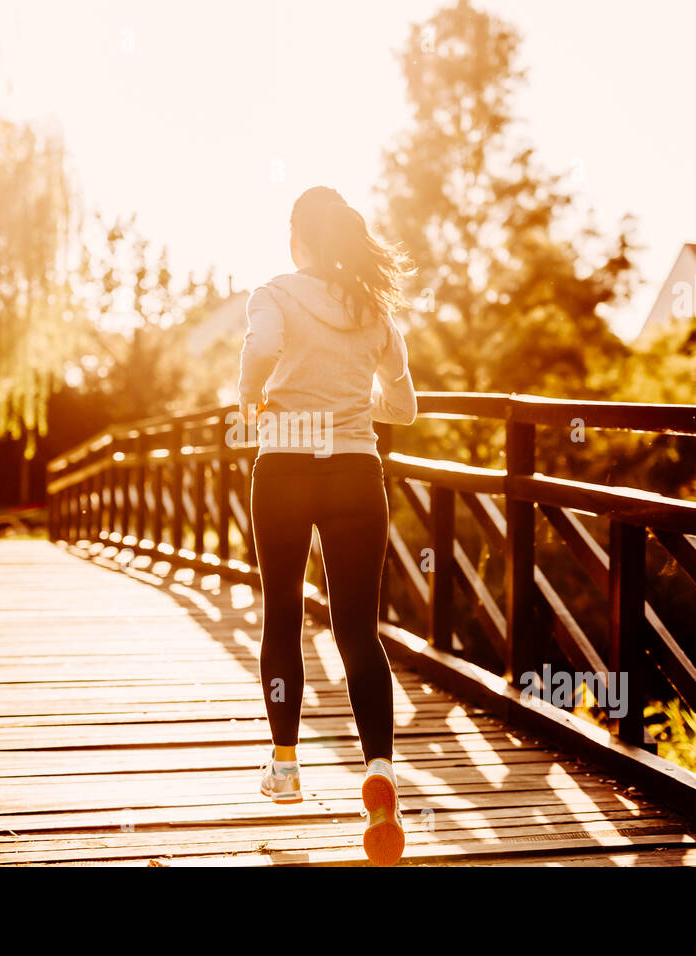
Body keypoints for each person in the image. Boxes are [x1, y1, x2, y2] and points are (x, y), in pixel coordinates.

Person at [237, 186, 417, 866]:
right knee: (358, 630)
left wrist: (249, 398)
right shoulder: (373, 311)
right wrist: (356, 401)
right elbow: (403, 407)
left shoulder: (274, 294)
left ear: (296, 238)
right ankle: (379, 775)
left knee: (282, 611)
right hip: (353, 472)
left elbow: (261, 348)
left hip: (284, 465)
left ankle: (285, 766)